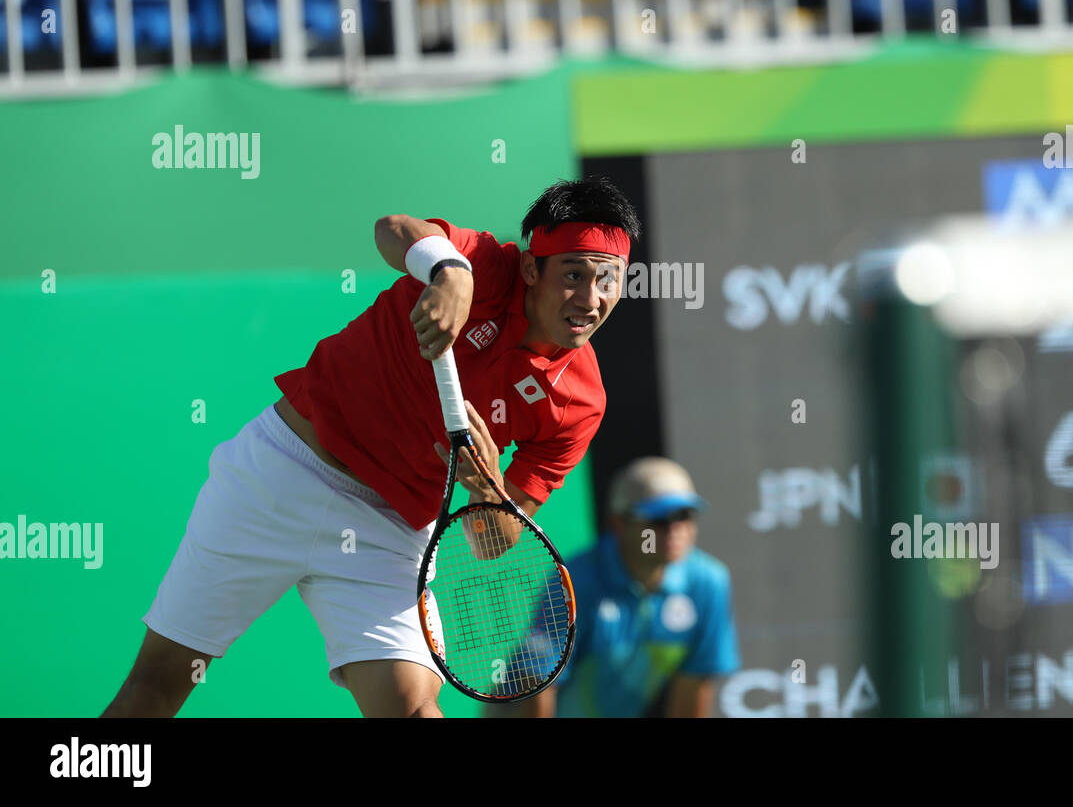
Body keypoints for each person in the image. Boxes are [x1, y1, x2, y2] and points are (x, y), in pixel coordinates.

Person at [101, 177, 640, 717]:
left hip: (387, 530)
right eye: (573, 275)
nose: (590, 300)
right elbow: (391, 230)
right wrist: (448, 271)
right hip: (279, 474)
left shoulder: (581, 402)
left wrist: (487, 486)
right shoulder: (485, 268)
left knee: (412, 711)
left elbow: (490, 541)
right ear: (530, 269)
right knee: (157, 684)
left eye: (607, 280)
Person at [519, 457, 741, 717]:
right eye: (659, 518)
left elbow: (694, 686)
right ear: (619, 522)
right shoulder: (576, 582)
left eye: (684, 515)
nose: (674, 529)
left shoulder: (709, 583)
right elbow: (539, 684)